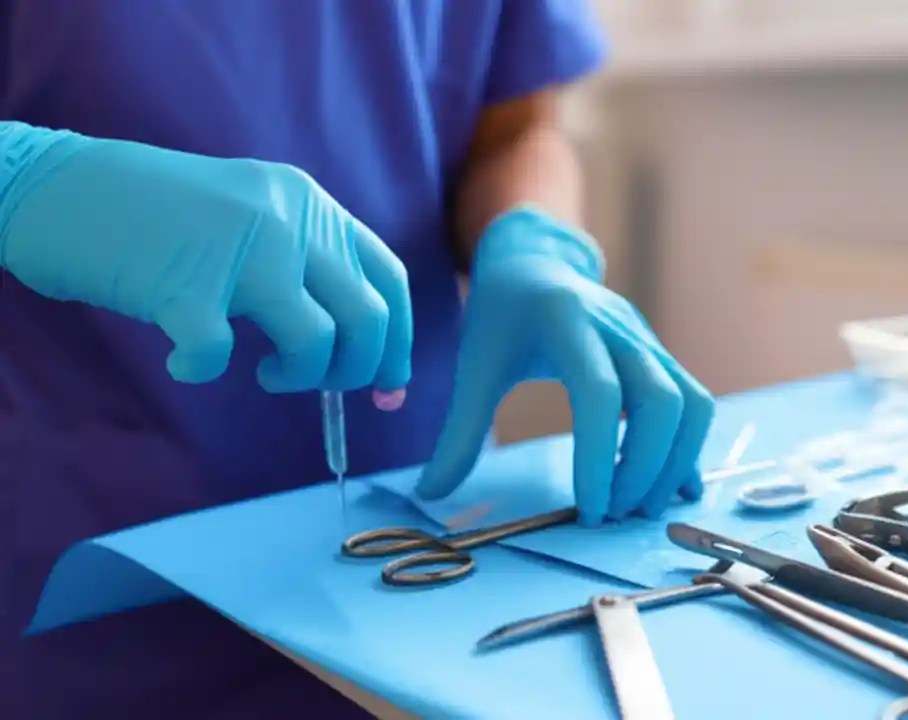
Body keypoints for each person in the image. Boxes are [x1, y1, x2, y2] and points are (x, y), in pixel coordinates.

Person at [0, 2, 713, 717]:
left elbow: (518, 128)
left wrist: (534, 242)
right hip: (93, 555)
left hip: (424, 521)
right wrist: (23, 179)